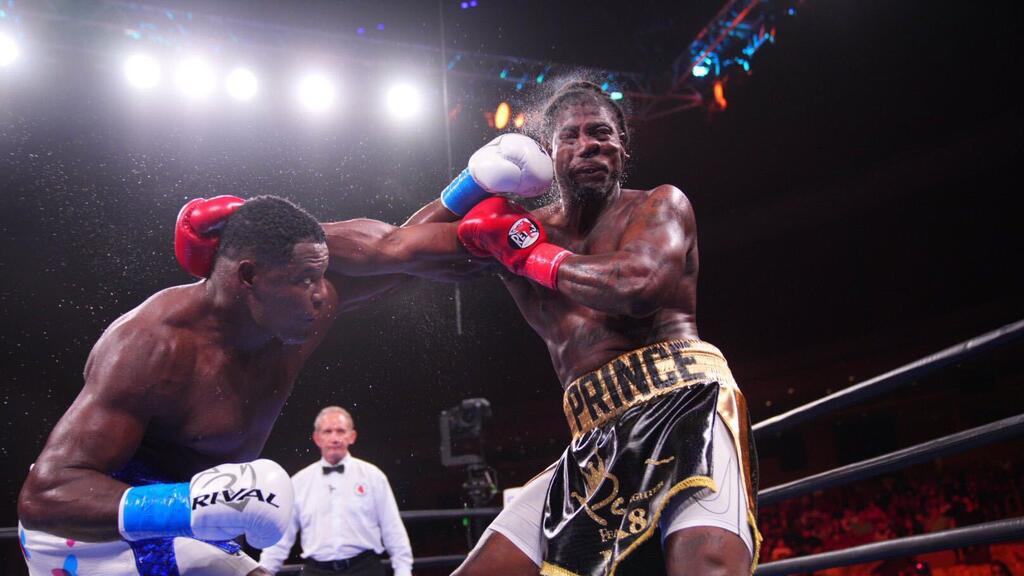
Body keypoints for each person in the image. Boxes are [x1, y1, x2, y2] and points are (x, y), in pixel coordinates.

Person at [13, 188, 548, 576]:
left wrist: (471, 187)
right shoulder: (152, 346)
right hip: (88, 537)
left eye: (321, 273)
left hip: (193, 525)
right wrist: (192, 505)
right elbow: (46, 495)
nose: (322, 293)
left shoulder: (293, 316)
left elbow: (395, 256)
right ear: (249, 277)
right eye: (305, 278)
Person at [427, 81, 761, 575]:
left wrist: (531, 257)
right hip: (594, 436)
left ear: (622, 145)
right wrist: (469, 186)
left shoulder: (659, 206)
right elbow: (398, 249)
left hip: (685, 403)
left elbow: (638, 284)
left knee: (706, 565)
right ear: (550, 153)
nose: (588, 145)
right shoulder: (520, 228)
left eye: (601, 133)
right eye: (571, 136)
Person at [258, 406, 413, 576]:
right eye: (328, 431)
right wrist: (263, 571)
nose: (335, 438)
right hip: (317, 571)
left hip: (364, 568)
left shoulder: (373, 476)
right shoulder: (299, 482)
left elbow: (393, 529)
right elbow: (281, 536)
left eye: (340, 431)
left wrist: (403, 571)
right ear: (317, 438)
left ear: (352, 436)